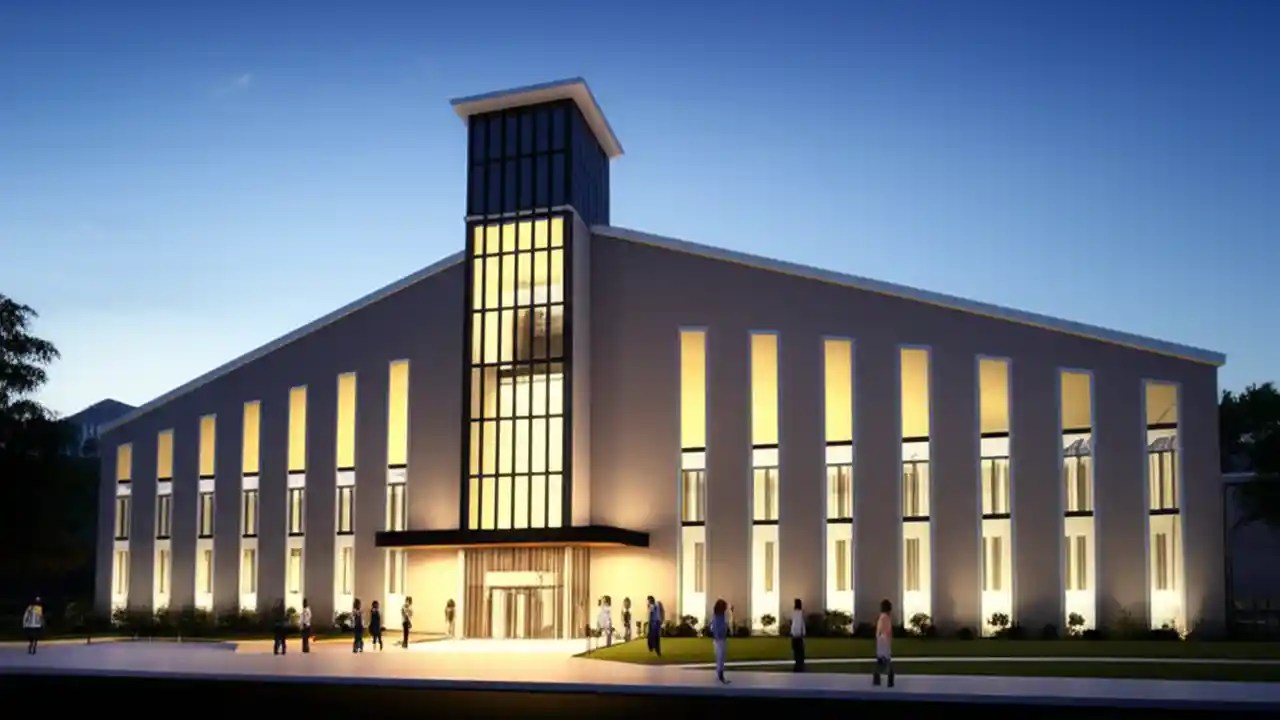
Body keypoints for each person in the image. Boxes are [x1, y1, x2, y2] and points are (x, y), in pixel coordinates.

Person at [873, 598, 895, 688]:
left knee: (881, 663)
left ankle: (878, 679)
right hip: (884, 645)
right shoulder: (885, 618)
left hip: (882, 644)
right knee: (885, 662)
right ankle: (889, 679)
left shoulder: (882, 617)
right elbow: (885, 632)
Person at [711, 598, 730, 684]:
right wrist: (719, 636)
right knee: (720, 657)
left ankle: (720, 674)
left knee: (721, 658)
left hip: (721, 639)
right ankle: (720, 675)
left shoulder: (720, 616)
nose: (725, 609)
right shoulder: (717, 617)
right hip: (719, 639)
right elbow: (716, 628)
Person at [790, 598, 806, 672]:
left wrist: (792, 633)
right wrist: (803, 633)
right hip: (799, 635)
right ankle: (800, 666)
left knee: (796, 652)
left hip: (795, 635)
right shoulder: (801, 613)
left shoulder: (794, 613)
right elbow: (801, 623)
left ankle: (797, 666)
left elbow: (794, 624)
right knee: (800, 652)